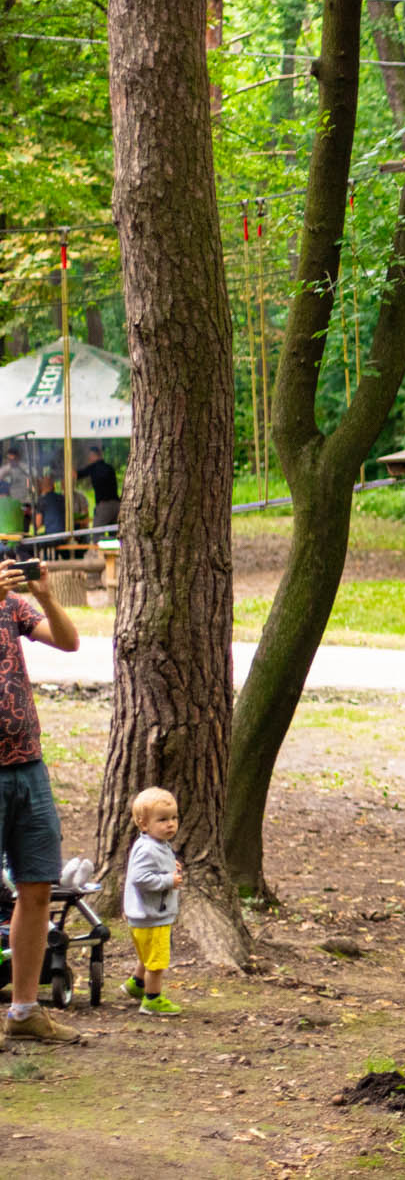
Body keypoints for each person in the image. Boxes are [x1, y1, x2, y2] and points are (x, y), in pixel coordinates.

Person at [0, 556, 83, 1044]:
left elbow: (69, 641)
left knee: (37, 887)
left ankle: (25, 1011)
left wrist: (46, 594)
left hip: (28, 766)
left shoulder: (13, 606)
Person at [121, 787, 183, 1016]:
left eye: (174, 818)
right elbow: (140, 878)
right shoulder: (147, 848)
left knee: (147, 955)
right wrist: (168, 880)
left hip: (147, 914)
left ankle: (136, 984)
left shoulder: (154, 843)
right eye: (163, 819)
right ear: (144, 824)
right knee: (156, 962)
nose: (170, 824)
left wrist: (170, 868)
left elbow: (154, 867)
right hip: (151, 915)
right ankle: (152, 1000)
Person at [74, 446, 119, 532]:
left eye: (89, 457)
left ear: (93, 455)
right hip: (117, 505)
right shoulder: (109, 468)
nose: (88, 459)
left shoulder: (93, 468)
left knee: (96, 534)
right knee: (115, 534)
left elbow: (76, 475)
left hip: (104, 506)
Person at [33, 475, 66, 542]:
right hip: (64, 534)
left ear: (42, 486)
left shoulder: (41, 500)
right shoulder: (61, 498)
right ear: (53, 486)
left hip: (51, 536)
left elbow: (38, 524)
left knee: (29, 544)